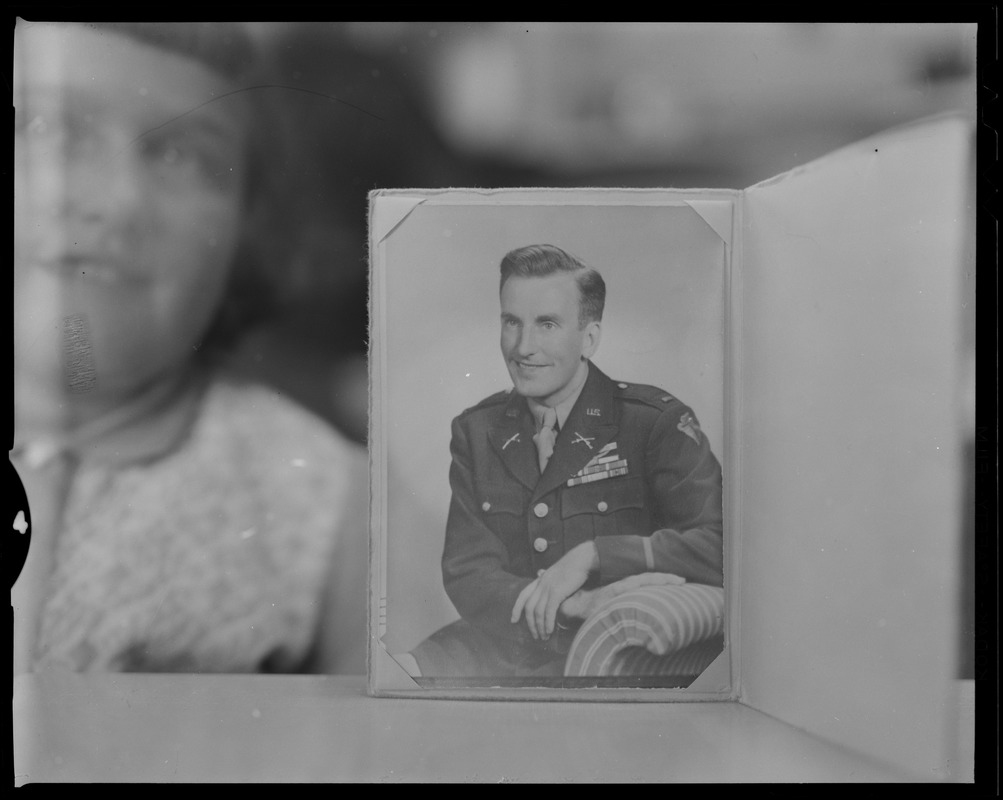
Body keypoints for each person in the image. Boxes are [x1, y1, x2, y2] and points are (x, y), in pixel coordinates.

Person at [11, 21, 367, 674]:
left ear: (244, 226)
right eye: (45, 129)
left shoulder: (327, 505)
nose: (120, 202)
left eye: (183, 156)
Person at [405, 244, 724, 678]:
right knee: (403, 680)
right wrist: (569, 605)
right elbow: (468, 570)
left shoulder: (654, 423)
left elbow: (725, 546)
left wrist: (595, 555)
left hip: (610, 653)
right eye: (511, 323)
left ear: (589, 338)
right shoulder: (477, 430)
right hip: (502, 640)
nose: (523, 347)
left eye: (547, 324)